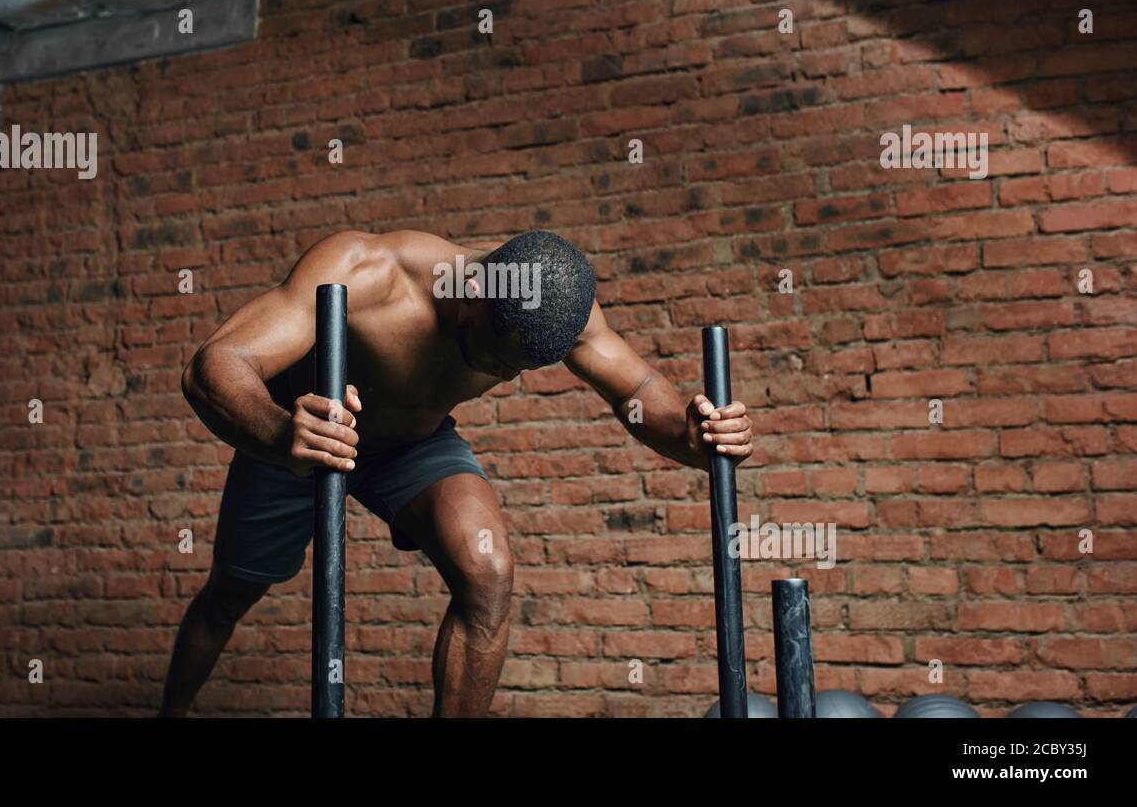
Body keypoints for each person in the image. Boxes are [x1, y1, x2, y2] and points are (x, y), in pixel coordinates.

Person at [159, 229, 754, 716]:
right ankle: (172, 714)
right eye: (492, 356)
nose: (502, 374)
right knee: (227, 598)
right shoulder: (369, 271)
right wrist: (280, 433)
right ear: (471, 288)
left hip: (412, 446)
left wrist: (692, 434)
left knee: (487, 570)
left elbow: (639, 388)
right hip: (304, 436)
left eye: (515, 369)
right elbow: (215, 365)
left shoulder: (553, 298)